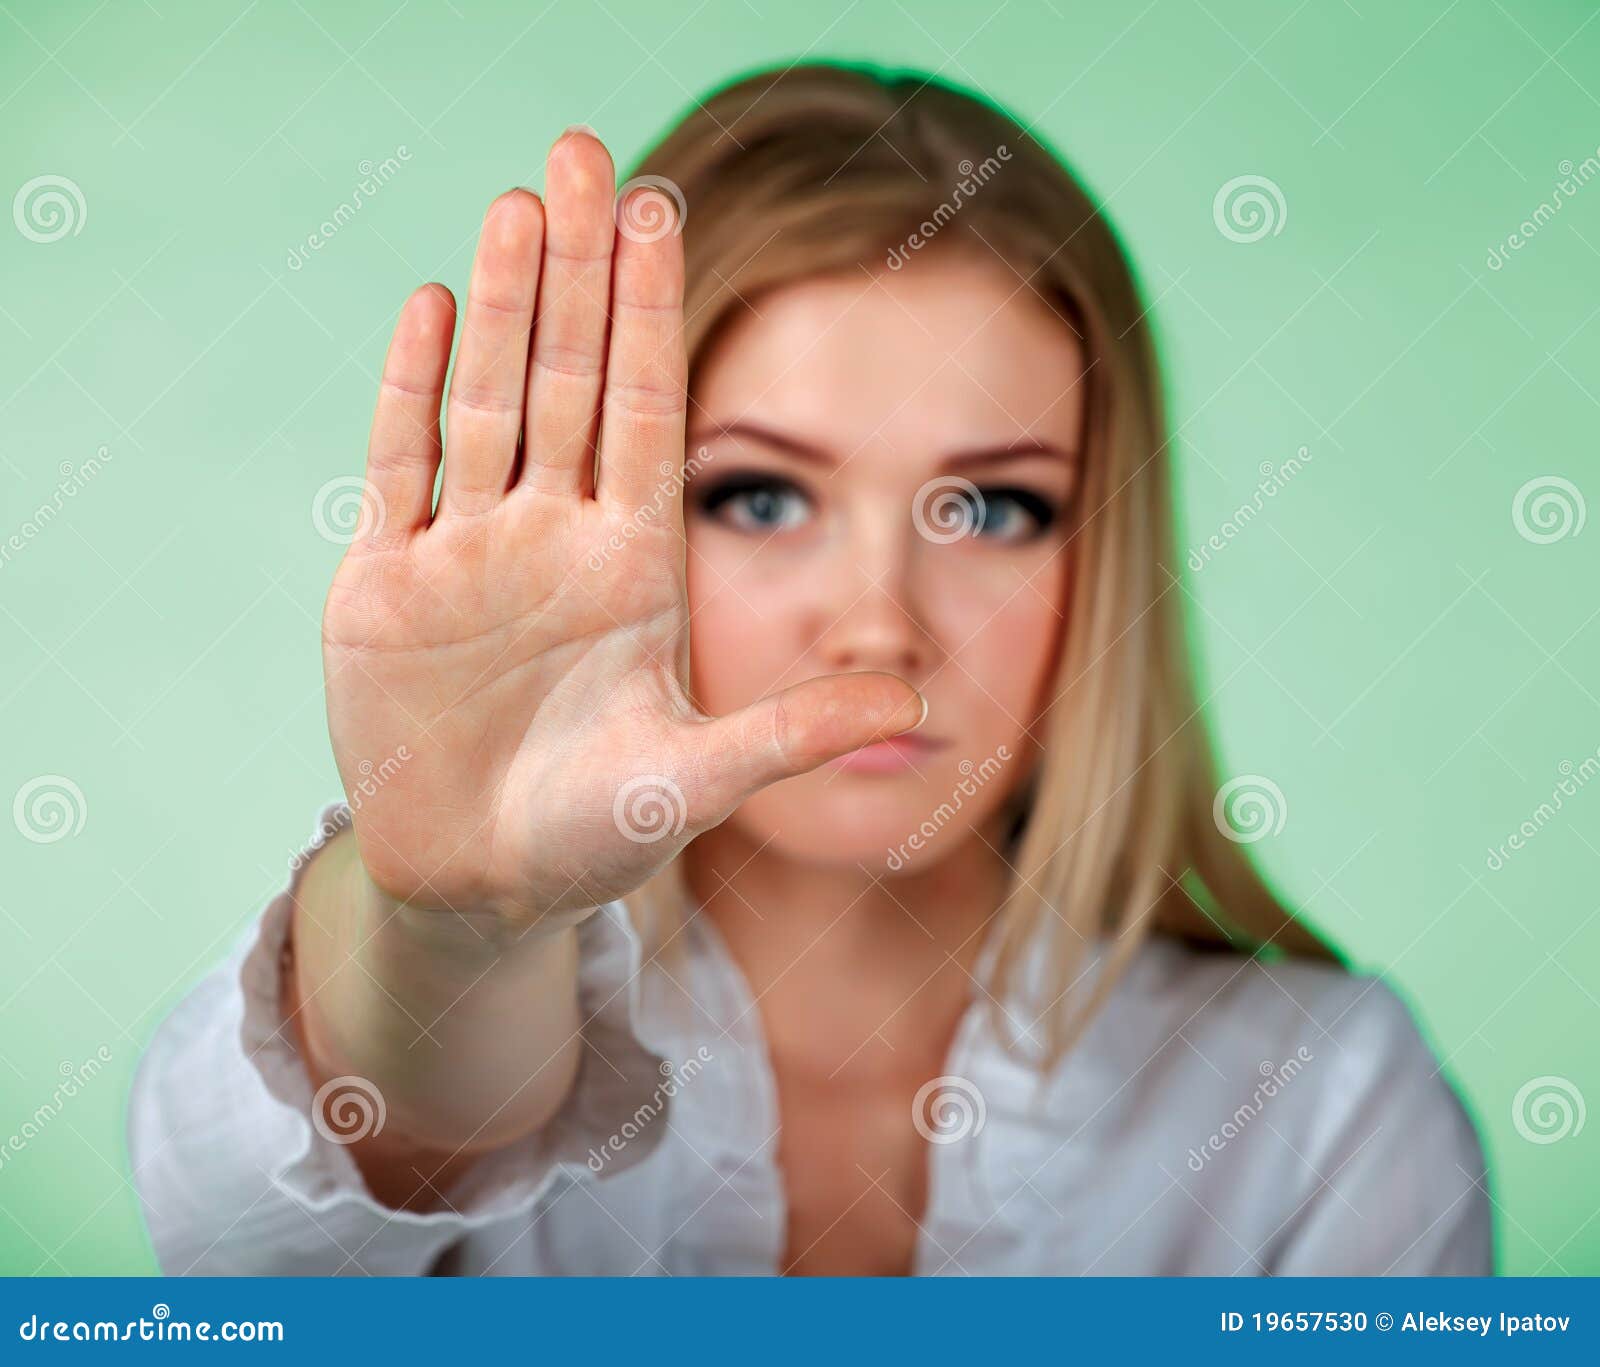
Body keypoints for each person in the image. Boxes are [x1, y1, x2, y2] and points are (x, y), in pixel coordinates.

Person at [128, 63, 1490, 1276]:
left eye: (992, 510)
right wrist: (449, 926)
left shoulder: (1322, 1111)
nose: (877, 626)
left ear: (1102, 555)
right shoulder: (468, 1037)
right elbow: (234, 1240)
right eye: (761, 498)